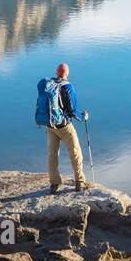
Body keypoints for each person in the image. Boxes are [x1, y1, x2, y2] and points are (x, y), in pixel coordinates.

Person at [47, 63, 92, 193]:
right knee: (75, 153)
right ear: (67, 73)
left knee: (52, 155)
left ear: (56, 72)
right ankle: (80, 182)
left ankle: (54, 184)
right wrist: (83, 117)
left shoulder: (49, 86)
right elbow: (73, 111)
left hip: (50, 126)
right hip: (65, 127)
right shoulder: (68, 87)